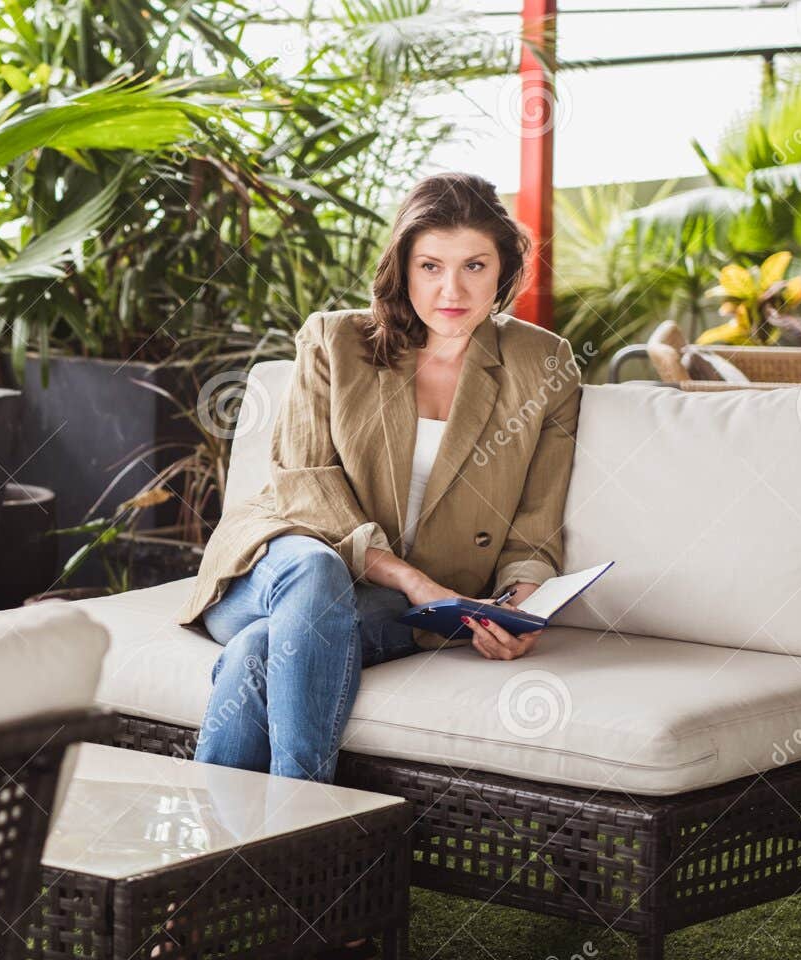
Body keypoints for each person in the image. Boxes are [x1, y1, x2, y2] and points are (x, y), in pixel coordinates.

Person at [181, 171, 583, 788]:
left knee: (262, 653)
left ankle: (218, 859)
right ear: (404, 267)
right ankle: (305, 821)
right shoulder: (336, 340)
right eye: (430, 266)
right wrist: (411, 579)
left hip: (393, 606)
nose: (452, 289)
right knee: (314, 573)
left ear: (502, 269)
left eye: (474, 266)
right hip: (274, 565)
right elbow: (305, 483)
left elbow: (534, 527)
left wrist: (521, 613)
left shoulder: (543, 363)